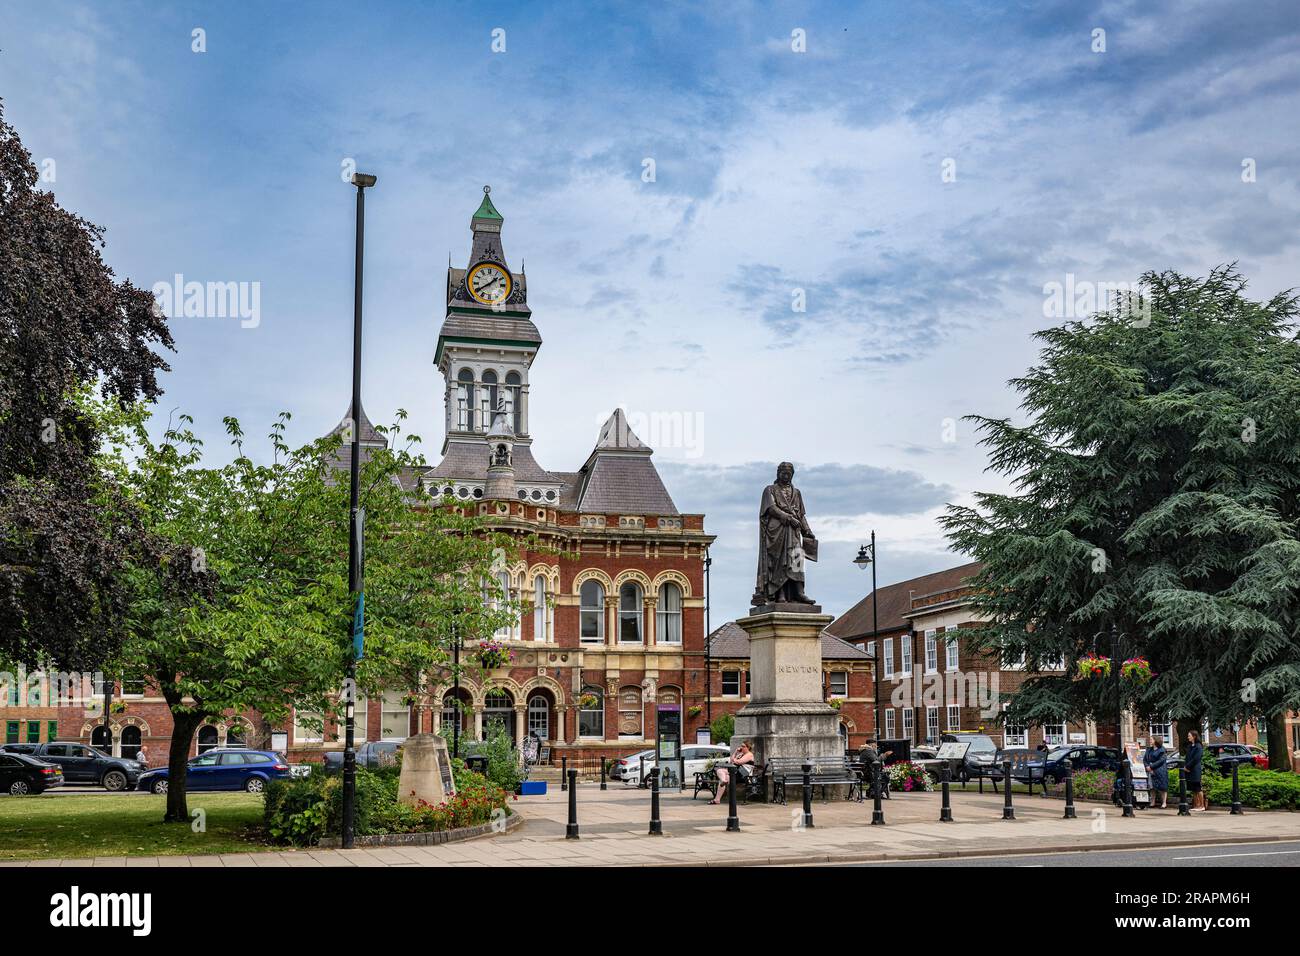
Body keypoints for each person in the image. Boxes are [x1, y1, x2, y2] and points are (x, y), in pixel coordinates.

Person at [711, 740, 755, 805]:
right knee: (719, 771)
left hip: (744, 775)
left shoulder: (749, 755)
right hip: (736, 773)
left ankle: (717, 798)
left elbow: (739, 762)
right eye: (741, 746)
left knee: (722, 775)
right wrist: (735, 752)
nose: (741, 747)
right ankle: (718, 797)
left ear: (748, 747)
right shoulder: (741, 754)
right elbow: (732, 761)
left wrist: (735, 760)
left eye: (743, 746)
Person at [1144, 736, 1169, 808]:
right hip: (1150, 770)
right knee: (1151, 787)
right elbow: (1145, 759)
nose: (1150, 741)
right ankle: (1152, 802)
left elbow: (1161, 760)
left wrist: (1151, 767)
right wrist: (1147, 766)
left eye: (1151, 739)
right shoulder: (1149, 750)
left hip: (1160, 770)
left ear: (1156, 740)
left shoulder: (1162, 750)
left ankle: (1164, 803)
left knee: (1162, 787)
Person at [1185, 730, 1205, 811]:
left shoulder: (1198, 746)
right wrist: (1186, 766)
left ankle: (1202, 806)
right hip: (1189, 769)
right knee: (1193, 789)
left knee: (1198, 787)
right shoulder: (1190, 746)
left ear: (1194, 736)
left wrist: (1188, 767)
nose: (1188, 737)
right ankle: (1196, 805)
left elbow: (1196, 759)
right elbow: (1187, 757)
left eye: (1189, 736)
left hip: (1195, 769)